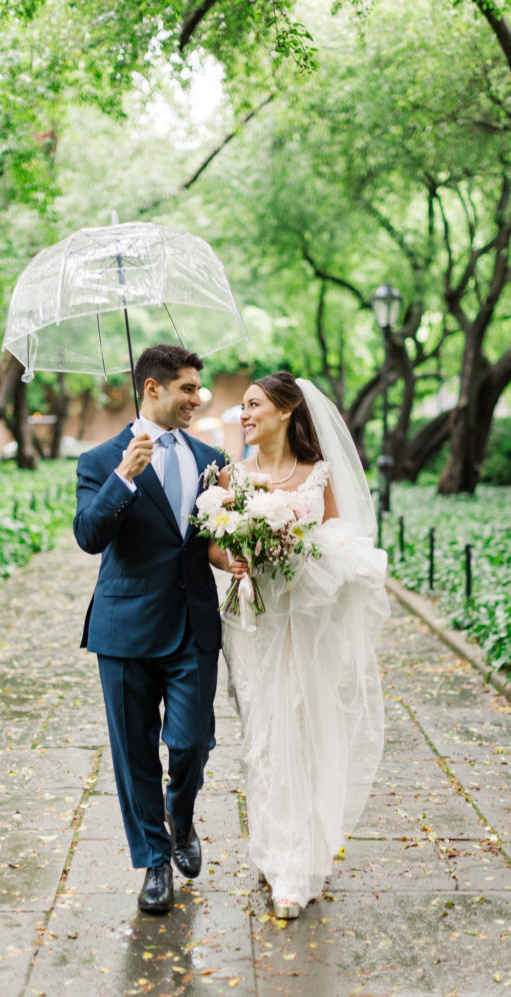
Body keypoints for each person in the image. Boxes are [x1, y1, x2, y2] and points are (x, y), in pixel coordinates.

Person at [210, 372, 389, 919]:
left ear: (286, 410)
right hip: (253, 624)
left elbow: (339, 541)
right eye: (243, 407)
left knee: (303, 730)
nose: (244, 415)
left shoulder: (318, 474)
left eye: (254, 404)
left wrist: (295, 548)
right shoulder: (231, 476)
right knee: (261, 739)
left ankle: (296, 864)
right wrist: (235, 558)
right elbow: (213, 543)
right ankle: (270, 847)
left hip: (306, 623)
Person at [73, 344, 227, 914]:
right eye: (187, 388)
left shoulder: (211, 457)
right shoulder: (100, 460)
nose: (196, 398)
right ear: (152, 389)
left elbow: (211, 537)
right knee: (134, 752)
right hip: (125, 628)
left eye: (197, 388)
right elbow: (89, 536)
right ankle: (154, 862)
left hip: (192, 623)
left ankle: (180, 815)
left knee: (191, 742)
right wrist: (124, 477)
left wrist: (239, 553)